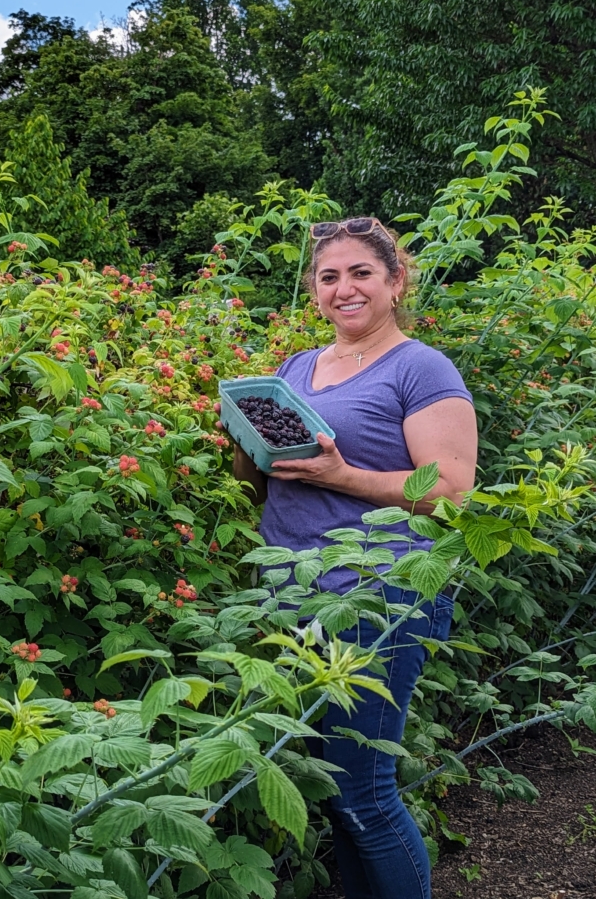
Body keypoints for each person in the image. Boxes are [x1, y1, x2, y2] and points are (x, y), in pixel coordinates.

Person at [232, 217, 477, 899]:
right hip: (294, 592)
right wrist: (249, 440)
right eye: (329, 276)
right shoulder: (293, 369)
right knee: (331, 786)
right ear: (313, 291)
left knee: (364, 791)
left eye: (361, 273)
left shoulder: (420, 367)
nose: (344, 288)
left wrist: (342, 476)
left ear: (396, 283)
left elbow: (451, 493)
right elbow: (265, 480)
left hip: (375, 596)